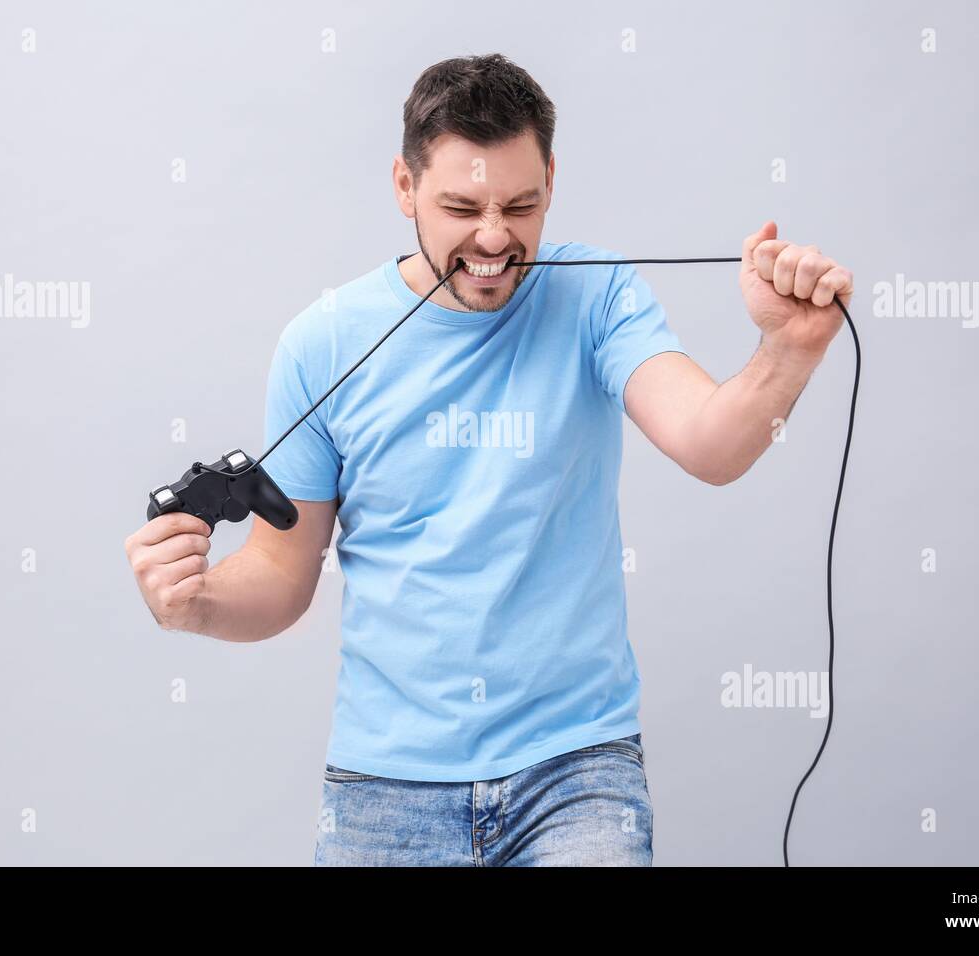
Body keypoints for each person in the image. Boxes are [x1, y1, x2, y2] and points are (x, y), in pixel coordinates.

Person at [123, 53, 853, 866]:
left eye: (522, 204)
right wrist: (194, 603)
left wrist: (786, 351)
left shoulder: (597, 295)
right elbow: (281, 577)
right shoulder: (322, 341)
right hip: (382, 787)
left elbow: (710, 445)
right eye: (462, 206)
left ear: (551, 178)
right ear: (405, 187)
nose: (497, 237)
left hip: (577, 773)